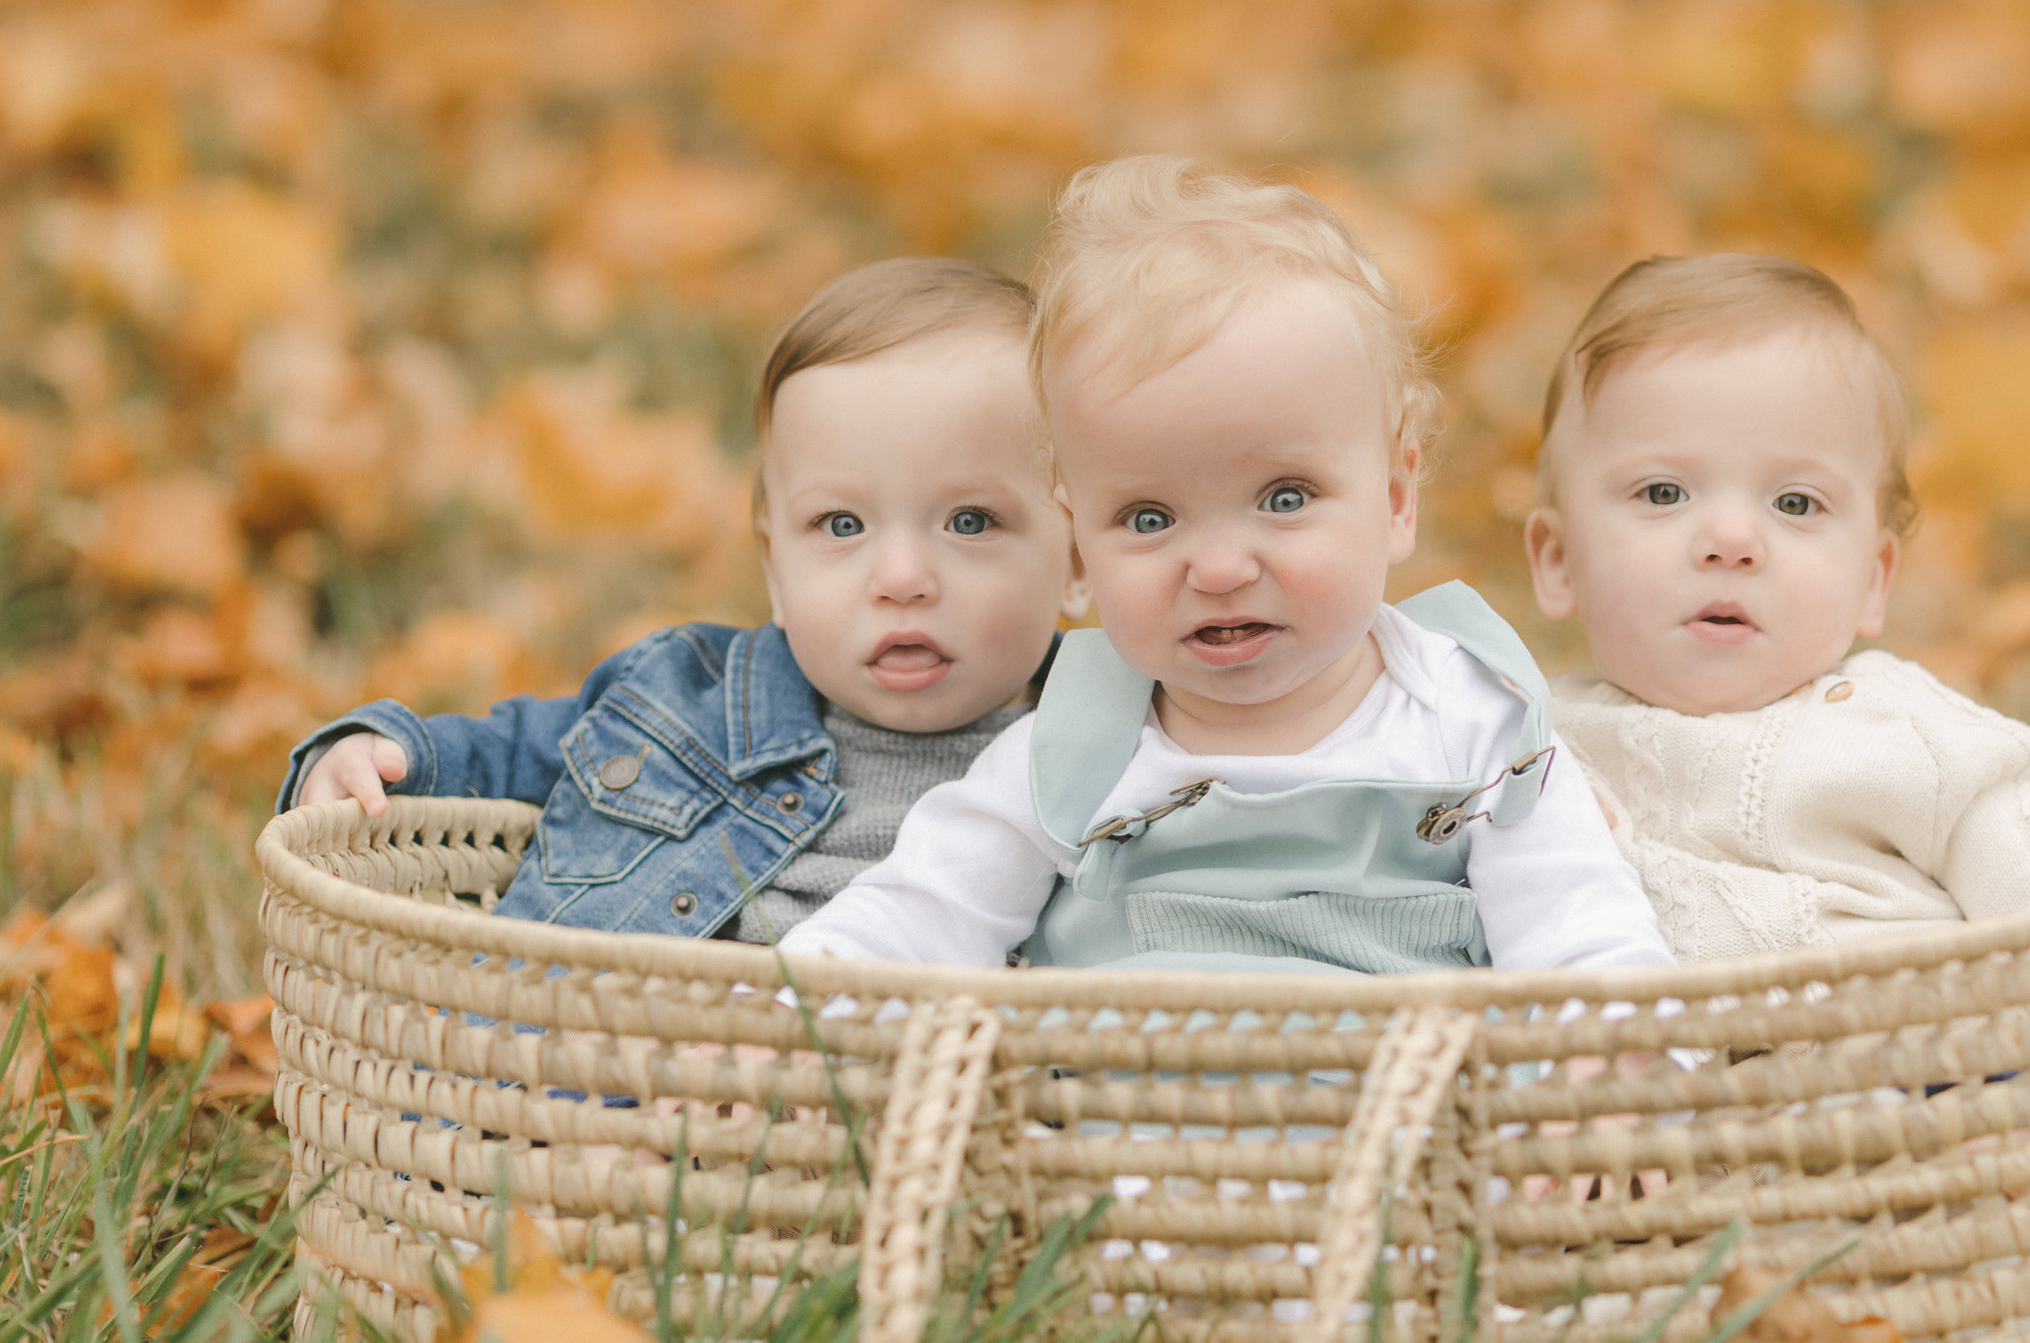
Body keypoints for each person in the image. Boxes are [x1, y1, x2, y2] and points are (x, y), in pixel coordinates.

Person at [780, 157, 1671, 975]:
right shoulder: (1069, 752)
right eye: (1149, 517)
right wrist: (786, 1022)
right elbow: (917, 916)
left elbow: (1578, 931)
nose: (1215, 567)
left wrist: (1618, 1077)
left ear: (1397, 500)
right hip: (1131, 1134)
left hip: (1408, 1121)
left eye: (1284, 499)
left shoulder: (1476, 721)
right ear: (1079, 552)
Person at [276, 257, 1090, 942]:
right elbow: (504, 760)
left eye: (971, 521)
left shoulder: (1115, 757)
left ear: (1076, 556)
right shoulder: (684, 704)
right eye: (842, 524)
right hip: (629, 1084)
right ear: (775, 566)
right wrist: (383, 752)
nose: (903, 577)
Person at [1522, 253, 2030, 963]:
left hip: (1935, 1054)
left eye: (1795, 503)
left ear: (1872, 581)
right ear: (1557, 559)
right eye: (1664, 493)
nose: (1731, 541)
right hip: (1666, 1069)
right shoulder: (1526, 752)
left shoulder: (1893, 729)